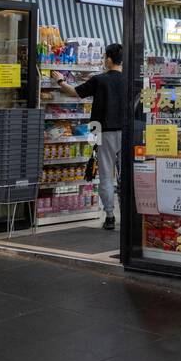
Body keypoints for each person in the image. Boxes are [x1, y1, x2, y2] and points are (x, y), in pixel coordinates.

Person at [54, 43, 123, 230]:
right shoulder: (129, 80)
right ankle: (127, 215)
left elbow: (75, 92)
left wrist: (60, 80)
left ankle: (109, 215)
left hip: (100, 129)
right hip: (126, 131)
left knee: (106, 175)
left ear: (108, 58)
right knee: (126, 176)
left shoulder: (99, 80)